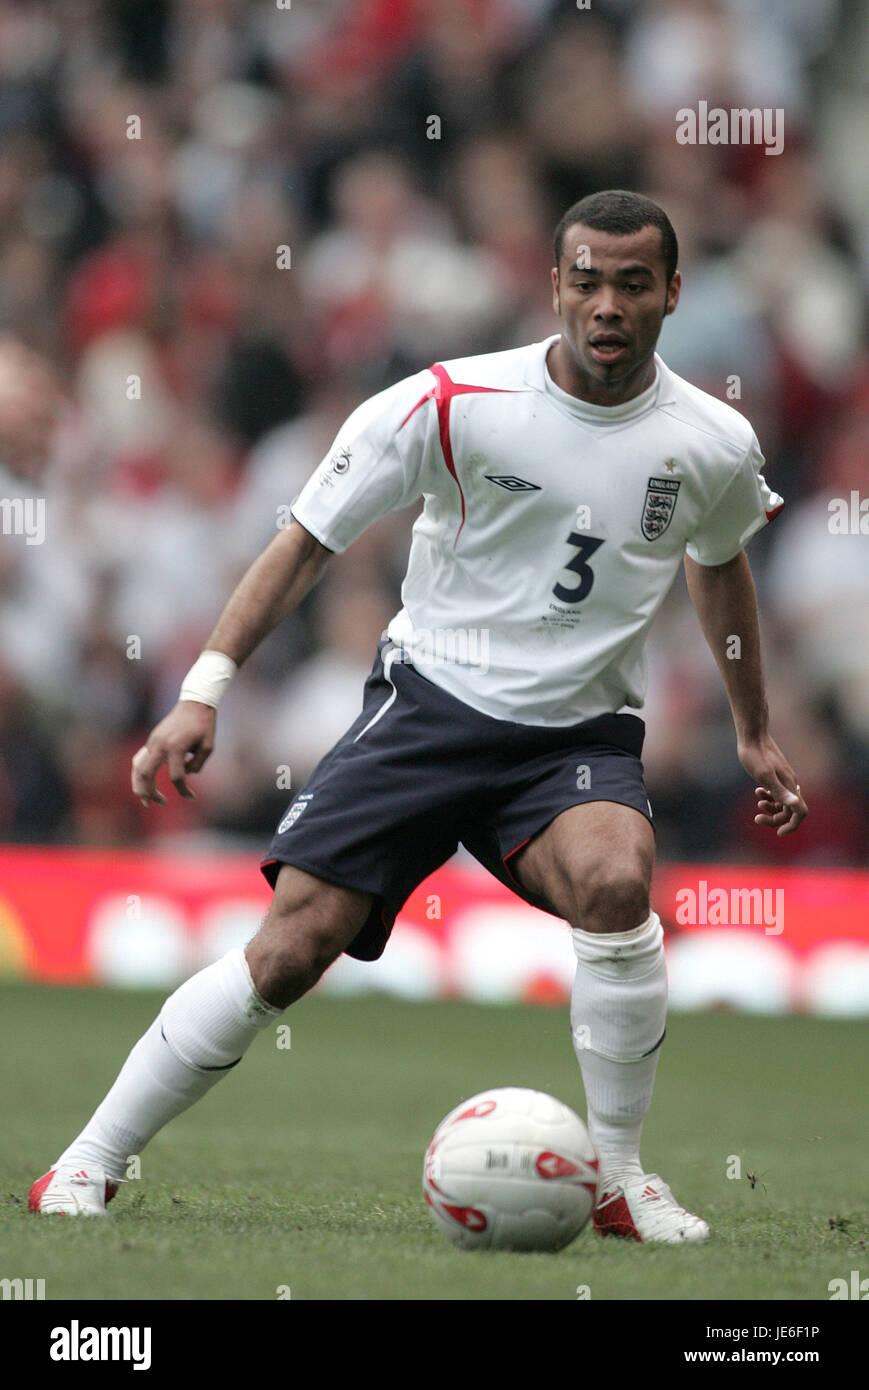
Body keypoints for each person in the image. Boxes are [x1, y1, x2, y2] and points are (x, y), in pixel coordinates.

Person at [30, 190, 807, 1242]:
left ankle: (618, 1177)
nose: (605, 305)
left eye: (631, 283)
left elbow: (718, 567)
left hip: (574, 737)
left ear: (671, 291)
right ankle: (87, 1161)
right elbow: (305, 540)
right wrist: (201, 690)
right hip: (429, 710)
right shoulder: (449, 403)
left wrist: (750, 725)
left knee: (619, 885)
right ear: (553, 286)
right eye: (584, 280)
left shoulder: (710, 441)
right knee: (290, 950)